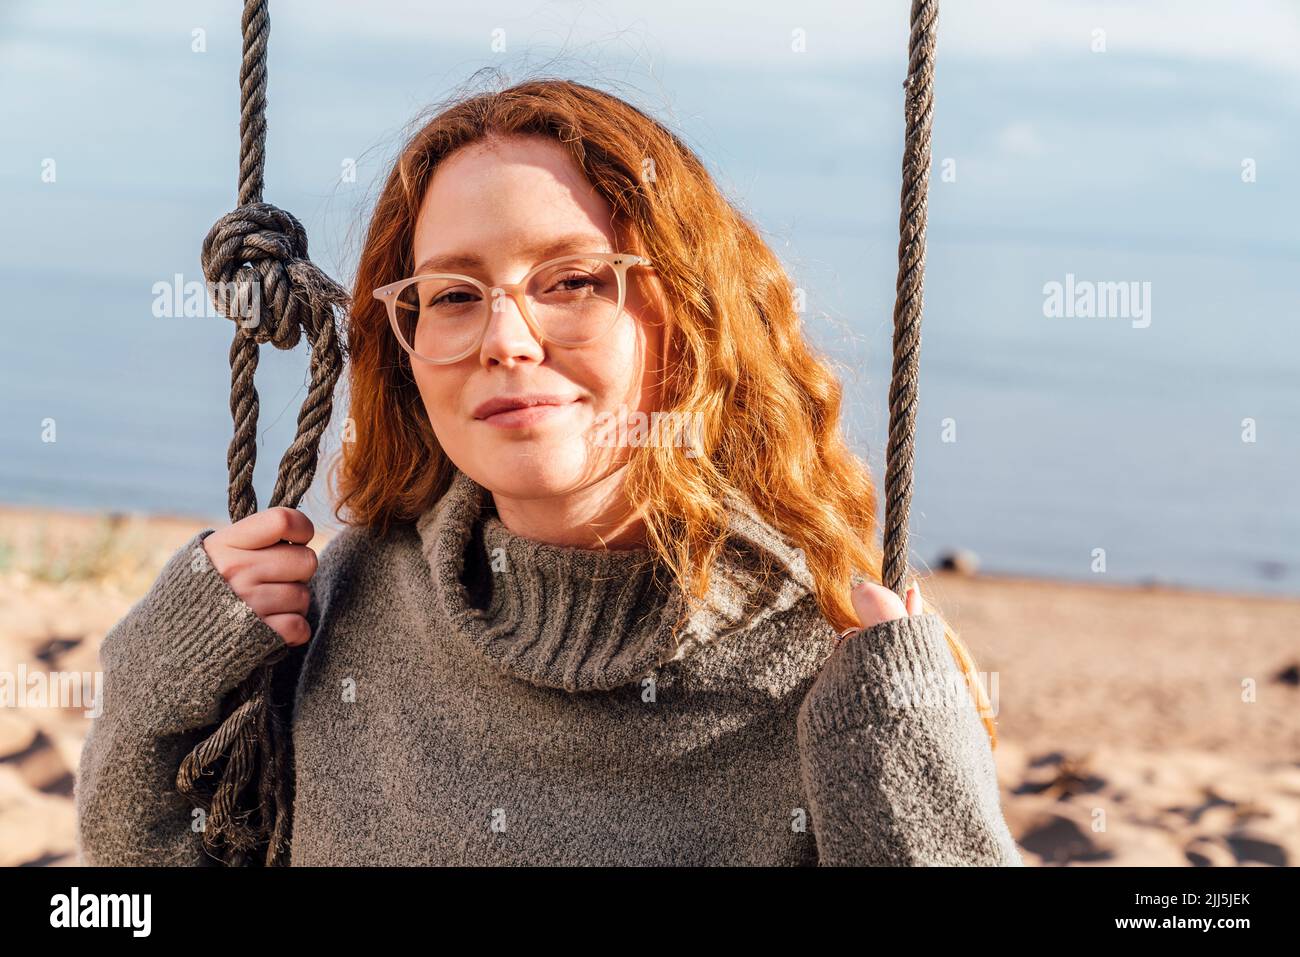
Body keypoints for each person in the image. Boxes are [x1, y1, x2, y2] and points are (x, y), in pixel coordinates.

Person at [76, 77, 1023, 866]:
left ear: (687, 319)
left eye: (572, 280)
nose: (505, 339)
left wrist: (911, 787)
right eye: (452, 294)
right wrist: (153, 681)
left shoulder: (831, 667)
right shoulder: (340, 609)